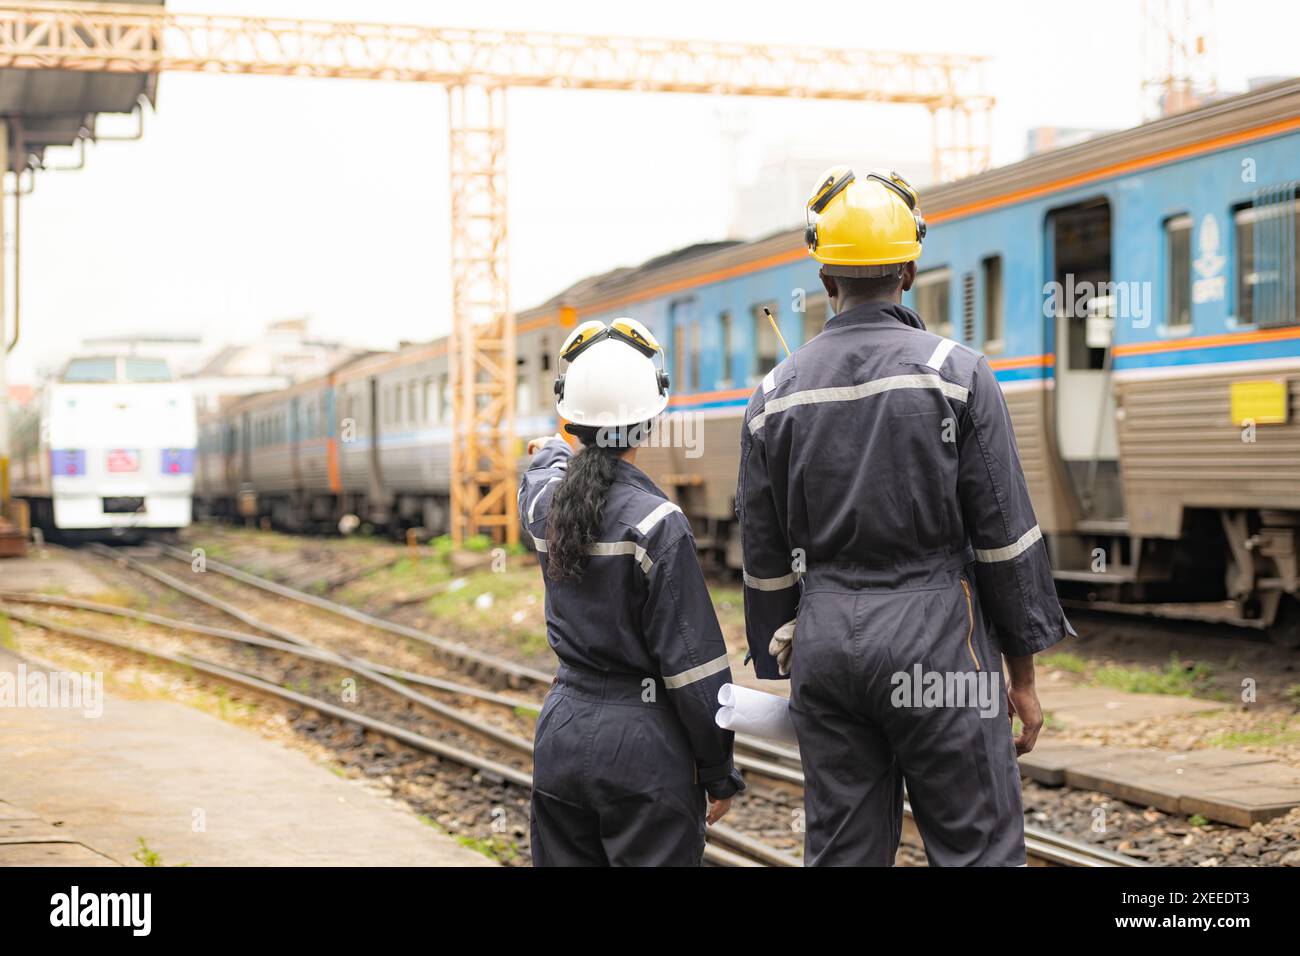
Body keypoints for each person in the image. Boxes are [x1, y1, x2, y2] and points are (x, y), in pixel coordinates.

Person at [737, 167, 1074, 866]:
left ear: (826, 278)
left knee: (843, 853)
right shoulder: (958, 373)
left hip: (827, 646)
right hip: (941, 643)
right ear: (912, 270)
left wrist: (785, 651)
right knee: (976, 846)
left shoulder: (774, 394)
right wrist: (1022, 676)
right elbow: (1005, 539)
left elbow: (764, 556)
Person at [520, 316, 744, 866]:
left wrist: (551, 448)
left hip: (563, 735)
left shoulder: (547, 511)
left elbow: (538, 475)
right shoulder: (657, 523)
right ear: (649, 421)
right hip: (644, 747)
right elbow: (693, 668)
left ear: (569, 418)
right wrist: (718, 772)